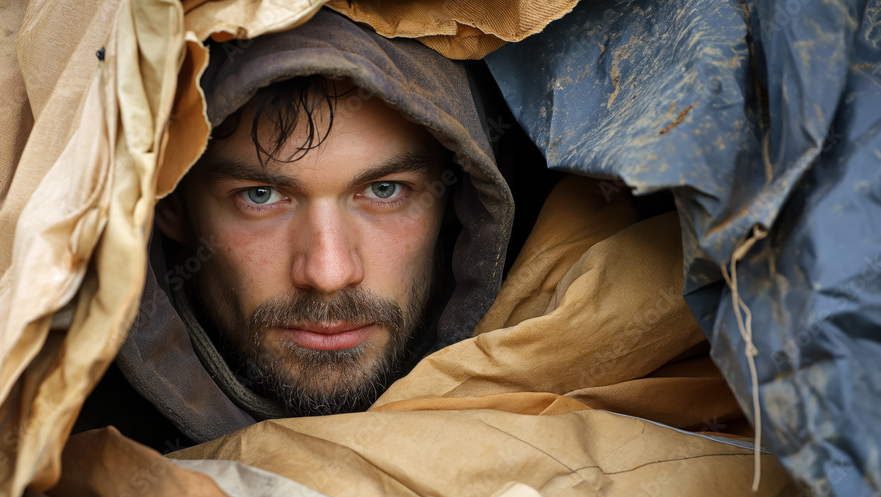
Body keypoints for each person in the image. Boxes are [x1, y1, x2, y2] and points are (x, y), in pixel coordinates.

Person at [74, 9, 554, 448]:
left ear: (454, 199)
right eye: (260, 196)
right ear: (171, 207)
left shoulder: (554, 396)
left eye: (385, 190)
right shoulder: (71, 444)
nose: (328, 272)